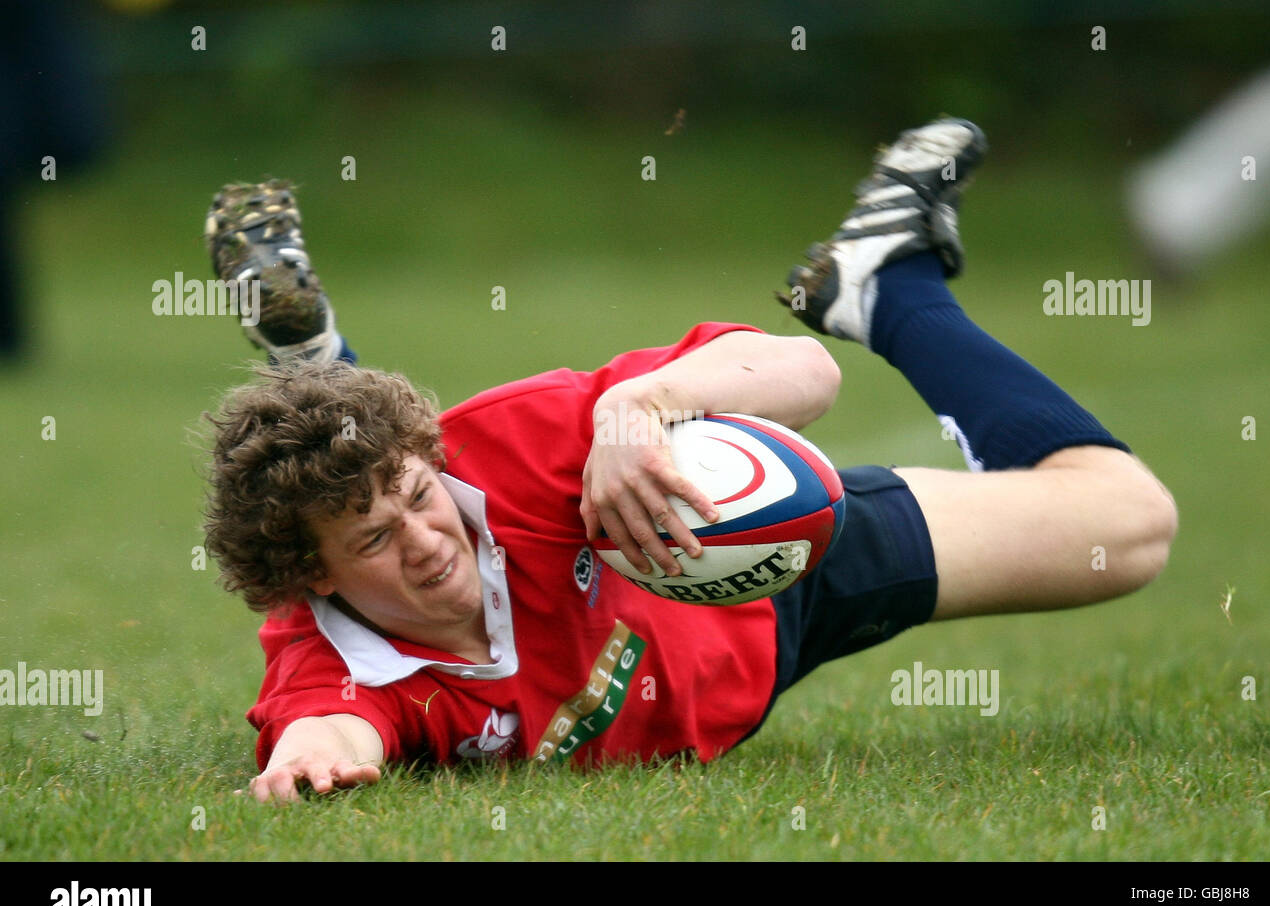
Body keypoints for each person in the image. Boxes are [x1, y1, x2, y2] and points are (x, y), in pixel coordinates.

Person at [202, 118, 1177, 804]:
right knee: (353, 470)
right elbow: (326, 730)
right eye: (373, 539)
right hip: (733, 665)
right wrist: (309, 765)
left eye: (422, 498)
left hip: (752, 551)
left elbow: (801, 372)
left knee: (1129, 530)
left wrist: (641, 406)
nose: (426, 542)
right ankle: (318, 375)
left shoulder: (516, 445)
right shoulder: (331, 662)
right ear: (308, 579)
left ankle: (887, 288)